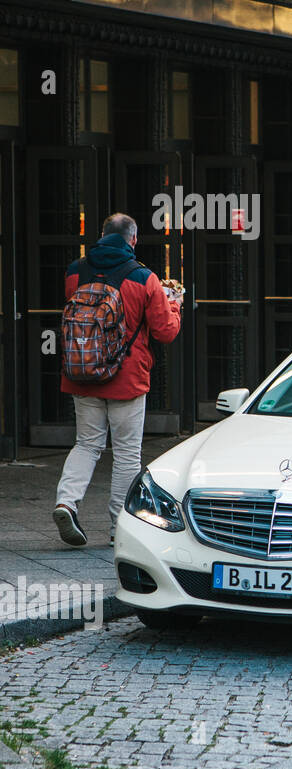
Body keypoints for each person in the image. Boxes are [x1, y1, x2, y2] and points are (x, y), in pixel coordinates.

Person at [53, 213, 182, 546]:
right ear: (133, 239)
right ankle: (118, 527)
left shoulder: (74, 271)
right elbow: (164, 332)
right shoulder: (143, 278)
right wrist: (175, 307)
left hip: (82, 373)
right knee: (126, 454)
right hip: (126, 377)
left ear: (101, 234)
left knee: (86, 444)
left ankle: (67, 502)